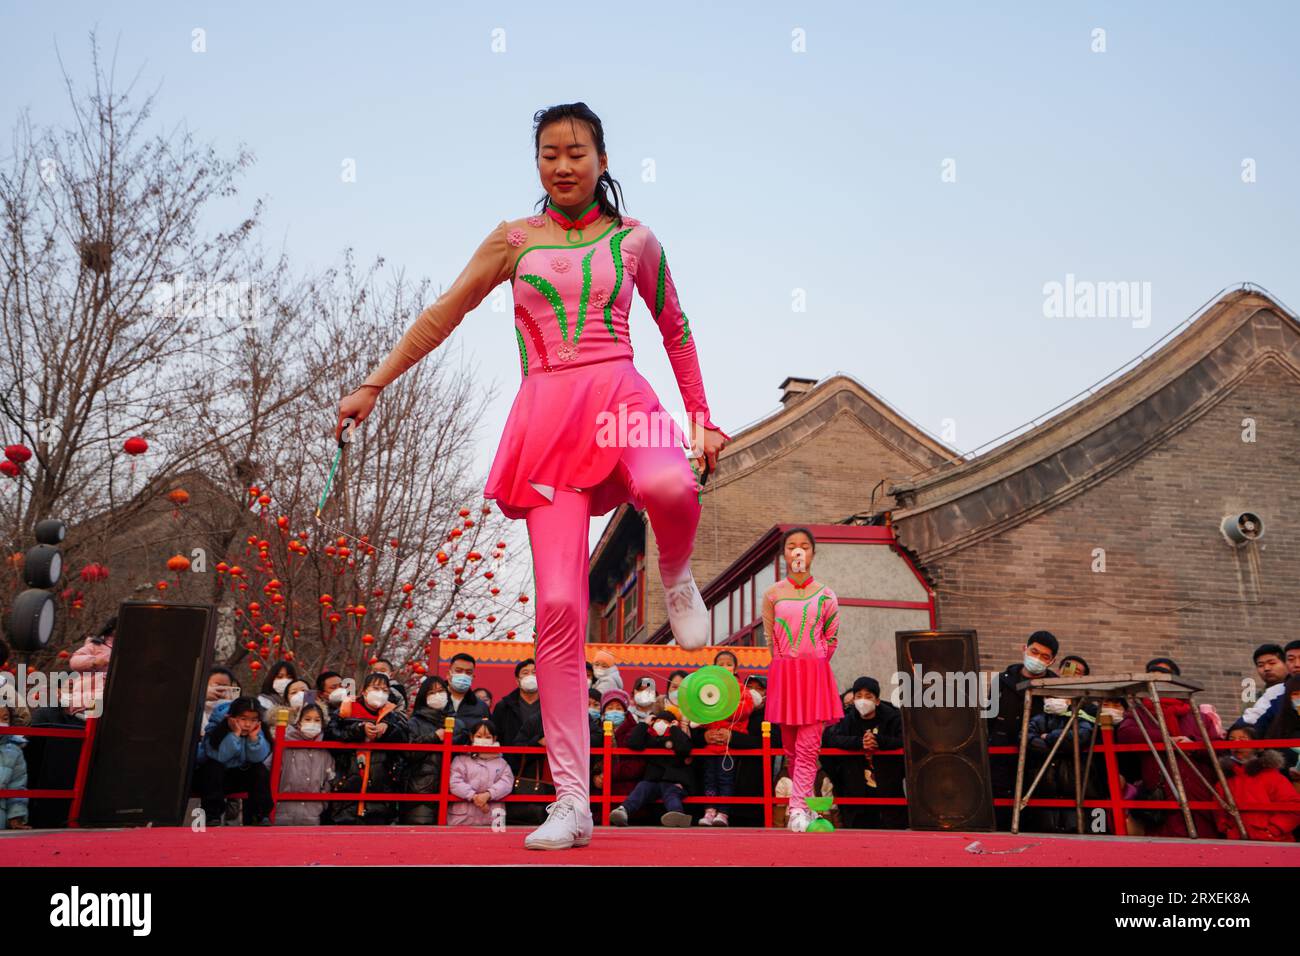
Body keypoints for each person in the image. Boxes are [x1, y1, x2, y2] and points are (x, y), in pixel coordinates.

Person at [336, 104, 730, 850]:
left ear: (603, 159)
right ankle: (573, 801)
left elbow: (675, 327)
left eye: (576, 152)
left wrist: (703, 416)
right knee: (557, 605)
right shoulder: (513, 240)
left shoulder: (636, 240)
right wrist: (373, 384)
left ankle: (677, 575)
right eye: (549, 154)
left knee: (672, 487)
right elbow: (443, 312)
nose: (562, 165)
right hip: (547, 416)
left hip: (620, 393)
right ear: (537, 164)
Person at [761, 527, 841, 833]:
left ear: (812, 554)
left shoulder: (826, 594)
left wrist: (814, 663)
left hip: (814, 675)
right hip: (784, 674)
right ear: (784, 555)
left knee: (809, 747)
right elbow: (771, 638)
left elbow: (831, 638)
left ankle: (795, 809)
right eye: (792, 546)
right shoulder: (772, 594)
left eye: (804, 546)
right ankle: (805, 806)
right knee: (792, 750)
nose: (798, 551)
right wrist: (786, 664)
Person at [1115, 657, 1221, 838]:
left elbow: (1218, 747)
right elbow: (1126, 734)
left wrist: (1192, 743)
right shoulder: (1141, 712)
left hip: (1199, 789)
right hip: (1161, 791)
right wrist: (1166, 739)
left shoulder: (1198, 716)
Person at [325, 672, 409, 825]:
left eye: (385, 690)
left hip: (381, 786)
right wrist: (358, 729)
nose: (380, 693)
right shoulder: (346, 710)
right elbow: (331, 734)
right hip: (347, 783)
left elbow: (405, 737)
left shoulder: (392, 715)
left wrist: (388, 729)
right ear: (364, 691)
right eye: (376, 688)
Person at [821, 677, 905, 829]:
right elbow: (832, 739)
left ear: (877, 700)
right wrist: (859, 742)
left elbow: (904, 740)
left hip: (888, 785)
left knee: (892, 828)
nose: (862, 700)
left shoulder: (893, 717)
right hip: (856, 787)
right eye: (858, 696)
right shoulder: (847, 719)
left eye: (868, 696)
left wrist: (879, 741)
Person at [696, 650, 754, 827]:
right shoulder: (707, 688)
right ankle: (709, 811)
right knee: (709, 779)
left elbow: (745, 710)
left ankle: (723, 812)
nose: (725, 667)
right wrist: (707, 732)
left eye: (728, 664)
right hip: (711, 746)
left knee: (725, 779)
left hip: (729, 747)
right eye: (720, 664)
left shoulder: (741, 689)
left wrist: (724, 706)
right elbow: (701, 713)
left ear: (735, 668)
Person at [195, 696, 274, 826]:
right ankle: (212, 815)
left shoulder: (257, 729)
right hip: (213, 779)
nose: (248, 724)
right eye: (243, 719)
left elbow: (258, 757)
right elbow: (220, 756)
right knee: (213, 767)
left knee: (259, 769)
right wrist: (235, 735)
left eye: (253, 720)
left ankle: (259, 815)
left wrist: (253, 739)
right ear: (231, 717)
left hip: (240, 775)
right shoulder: (217, 727)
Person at [1213, 725, 1300, 841]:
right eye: (1231, 740)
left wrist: (1273, 830)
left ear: (1257, 745)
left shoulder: (1273, 777)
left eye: (1243, 739)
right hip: (1237, 840)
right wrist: (1226, 828)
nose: (1236, 744)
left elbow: (1293, 807)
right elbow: (1218, 809)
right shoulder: (1225, 779)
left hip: (1274, 842)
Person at [610, 709, 694, 827]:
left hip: (673, 781)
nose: (660, 723)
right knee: (641, 789)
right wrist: (644, 724)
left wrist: (674, 728)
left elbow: (684, 748)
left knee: (672, 794)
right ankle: (623, 811)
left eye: (665, 721)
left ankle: (677, 815)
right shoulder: (649, 738)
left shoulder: (677, 736)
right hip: (652, 780)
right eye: (658, 721)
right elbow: (633, 743)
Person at [401, 675, 451, 825]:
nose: (437, 695)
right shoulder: (414, 722)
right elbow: (408, 752)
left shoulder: (457, 721)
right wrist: (434, 737)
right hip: (422, 791)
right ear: (424, 697)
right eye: (431, 692)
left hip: (454, 793)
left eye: (441, 691)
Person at [448, 718, 515, 827]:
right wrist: (474, 796)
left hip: (492, 817)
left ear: (494, 738)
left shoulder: (502, 763)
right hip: (463, 817)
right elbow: (454, 782)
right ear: (471, 737)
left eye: (488, 737)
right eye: (479, 736)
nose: (483, 740)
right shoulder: (461, 759)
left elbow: (506, 783)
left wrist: (489, 794)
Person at [275, 703, 334, 826]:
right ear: (299, 722)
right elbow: (270, 771)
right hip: (281, 812)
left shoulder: (325, 752)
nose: (312, 723)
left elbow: (329, 781)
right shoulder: (285, 746)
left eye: (317, 720)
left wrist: (321, 804)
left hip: (312, 814)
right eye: (307, 719)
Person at [591, 689, 644, 799]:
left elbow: (638, 764)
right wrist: (594, 778)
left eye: (619, 708)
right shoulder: (596, 732)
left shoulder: (634, 732)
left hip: (627, 790)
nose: (614, 711)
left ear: (625, 712)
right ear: (603, 712)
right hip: (599, 791)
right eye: (610, 708)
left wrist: (609, 773)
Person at [493, 658, 541, 774]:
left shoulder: (552, 707)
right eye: (525, 673)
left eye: (534, 673)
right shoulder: (504, 706)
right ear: (517, 680)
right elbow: (496, 737)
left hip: (543, 767)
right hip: (510, 768)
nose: (530, 676)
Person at [1231, 643, 1292, 734]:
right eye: (1260, 665)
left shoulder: (1294, 690)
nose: (1266, 668)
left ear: (1286, 663)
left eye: (1272, 663)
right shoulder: (1251, 701)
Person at [0, 703, 30, 829]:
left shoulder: (14, 750)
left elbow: (17, 787)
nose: (1, 723)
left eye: (5, 718)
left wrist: (16, 818)